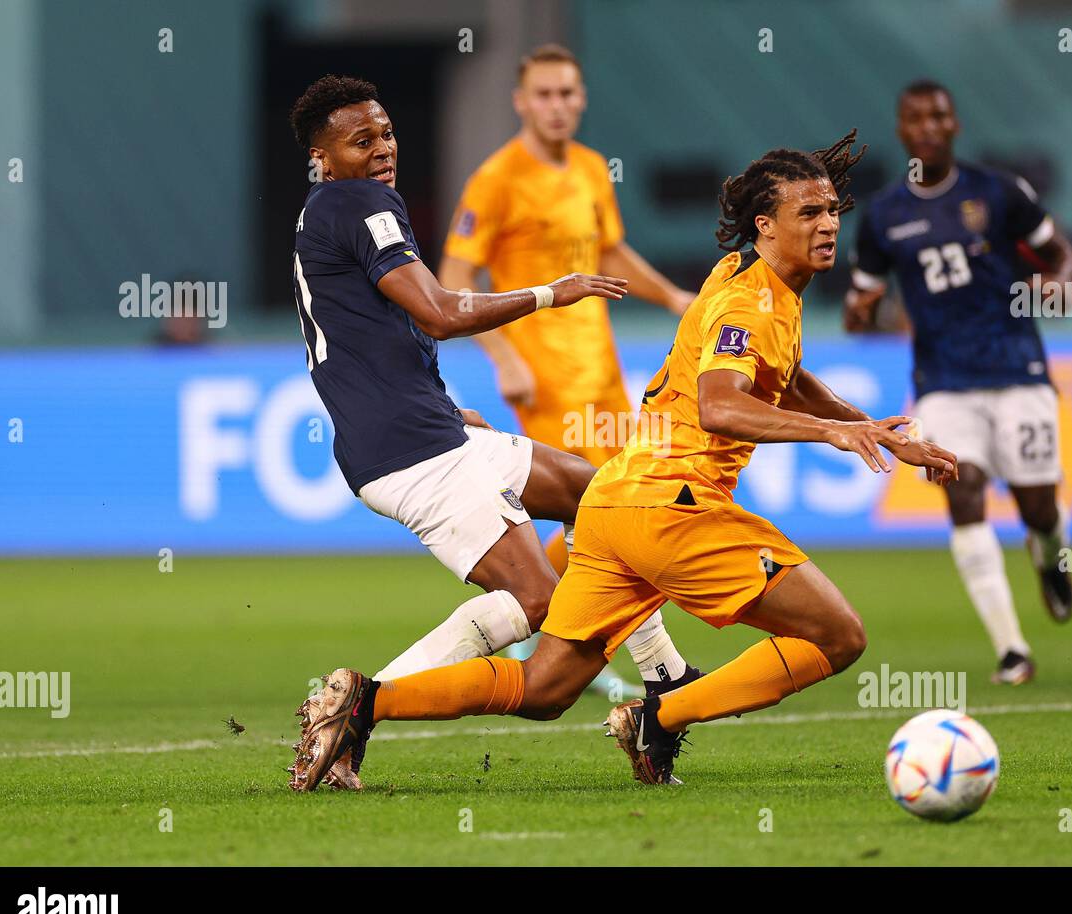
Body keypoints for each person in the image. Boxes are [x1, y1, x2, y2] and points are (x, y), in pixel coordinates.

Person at [289, 132, 958, 792]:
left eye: (832, 211)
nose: (828, 225)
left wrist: (871, 427)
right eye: (808, 213)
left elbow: (789, 375)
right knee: (839, 635)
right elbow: (721, 405)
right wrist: (831, 435)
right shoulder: (750, 304)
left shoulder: (746, 278)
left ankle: (364, 700)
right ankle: (659, 714)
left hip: (614, 504)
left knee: (545, 686)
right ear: (766, 224)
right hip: (675, 507)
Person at [285, 75, 697, 790]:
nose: (383, 150)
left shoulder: (323, 211)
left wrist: (441, 404)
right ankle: (356, 706)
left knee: (602, 497)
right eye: (362, 141)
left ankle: (665, 671)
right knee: (537, 601)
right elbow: (441, 310)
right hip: (415, 450)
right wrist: (548, 292)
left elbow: (374, 334)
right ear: (323, 158)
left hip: (422, 431)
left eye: (385, 133)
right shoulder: (362, 203)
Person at [843, 80, 1072, 685]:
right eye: (915, 117)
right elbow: (863, 297)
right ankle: (1012, 650)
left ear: (955, 126)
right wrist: (860, 312)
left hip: (1017, 368)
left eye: (938, 116)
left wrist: (1059, 281)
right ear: (901, 130)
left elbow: (1063, 256)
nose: (927, 126)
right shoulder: (883, 217)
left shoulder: (1000, 193)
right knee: (963, 488)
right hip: (942, 381)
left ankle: (1051, 560)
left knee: (1037, 507)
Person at [438, 44, 695, 576]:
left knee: (628, 500)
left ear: (581, 99)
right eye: (544, 94)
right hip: (545, 374)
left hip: (600, 366)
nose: (556, 105)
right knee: (601, 505)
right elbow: (454, 277)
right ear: (521, 103)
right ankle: (556, 629)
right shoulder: (497, 179)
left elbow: (607, 250)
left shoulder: (592, 168)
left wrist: (670, 296)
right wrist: (503, 357)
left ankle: (542, 621)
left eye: (566, 93)